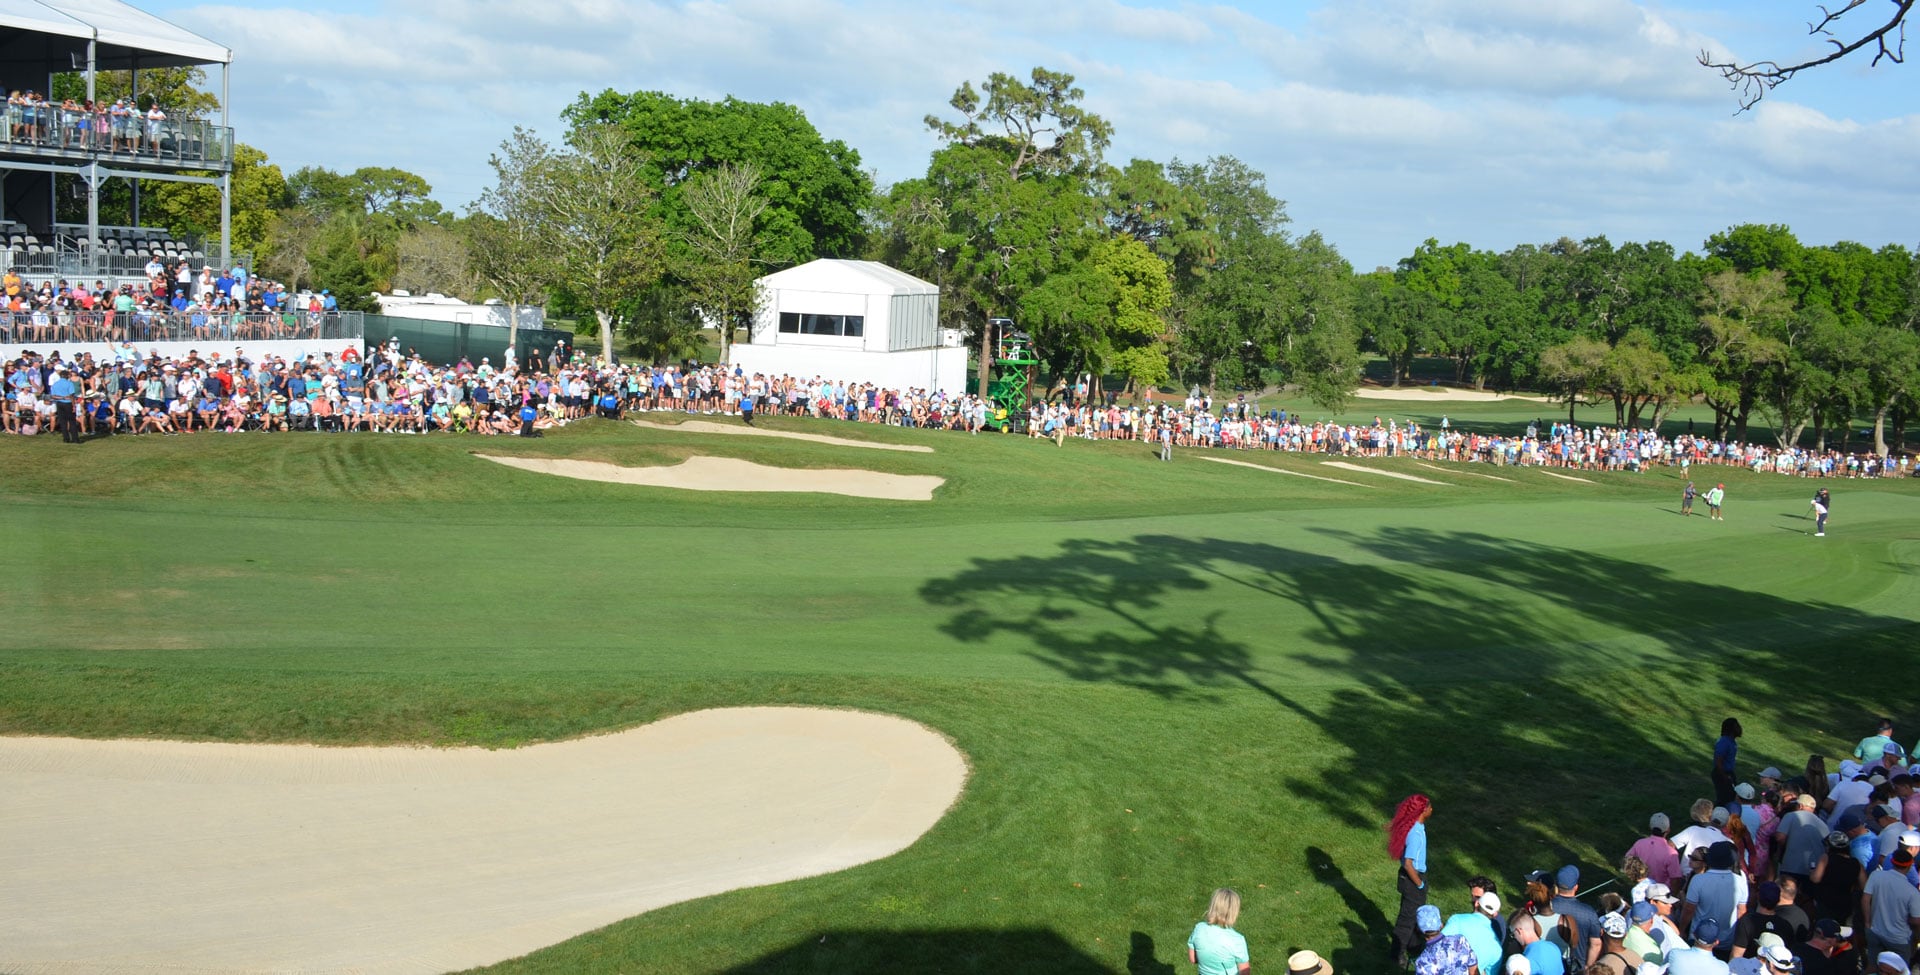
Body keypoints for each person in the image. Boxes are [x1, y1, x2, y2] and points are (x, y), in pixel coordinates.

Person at [1391, 794, 1435, 968]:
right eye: (1430, 807)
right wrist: (1419, 884)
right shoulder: (1415, 833)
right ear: (1423, 810)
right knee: (1407, 919)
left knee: (1416, 914)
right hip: (1413, 879)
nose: (1432, 810)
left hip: (1408, 878)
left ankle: (1414, 945)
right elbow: (1409, 864)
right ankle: (1397, 954)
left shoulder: (1415, 827)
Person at [1861, 848, 1920, 963]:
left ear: (1892, 862)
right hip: (1899, 939)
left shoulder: (1876, 876)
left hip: (1875, 931)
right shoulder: (1912, 892)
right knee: (1899, 969)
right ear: (1909, 866)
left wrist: (1867, 923)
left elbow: (1865, 900)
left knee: (1873, 965)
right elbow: (1916, 921)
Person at [1187, 887, 1250, 975]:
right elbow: (1245, 972)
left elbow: (1193, 959)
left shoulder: (1199, 928)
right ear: (1234, 912)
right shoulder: (1237, 940)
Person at [1551, 865, 1603, 970]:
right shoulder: (1588, 913)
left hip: (1550, 965)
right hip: (1577, 968)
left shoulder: (1546, 908)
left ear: (1556, 885)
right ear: (1576, 887)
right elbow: (1596, 944)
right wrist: (1588, 967)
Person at [1442, 891, 1503, 974]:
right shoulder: (1497, 949)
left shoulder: (1457, 920)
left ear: (1477, 903)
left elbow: (1436, 946)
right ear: (1495, 914)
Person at [1415, 903, 1480, 975]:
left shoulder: (1422, 962)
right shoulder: (1460, 941)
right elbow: (1474, 971)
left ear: (1418, 930)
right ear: (1441, 925)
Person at [46, 366, 79, 443]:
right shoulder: (69, 383)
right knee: (72, 421)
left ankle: (66, 438)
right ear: (67, 376)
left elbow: (53, 396)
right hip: (68, 403)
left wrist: (61, 397)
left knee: (63, 421)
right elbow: (71, 395)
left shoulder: (55, 384)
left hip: (59, 403)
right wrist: (73, 405)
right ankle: (75, 439)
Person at [1714, 719, 1742, 807]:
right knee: (1724, 799)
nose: (1740, 728)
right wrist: (1725, 776)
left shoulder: (1731, 741)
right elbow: (1718, 761)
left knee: (1732, 796)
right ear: (1731, 729)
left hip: (1728, 772)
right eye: (1737, 726)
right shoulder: (1724, 742)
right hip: (1722, 773)